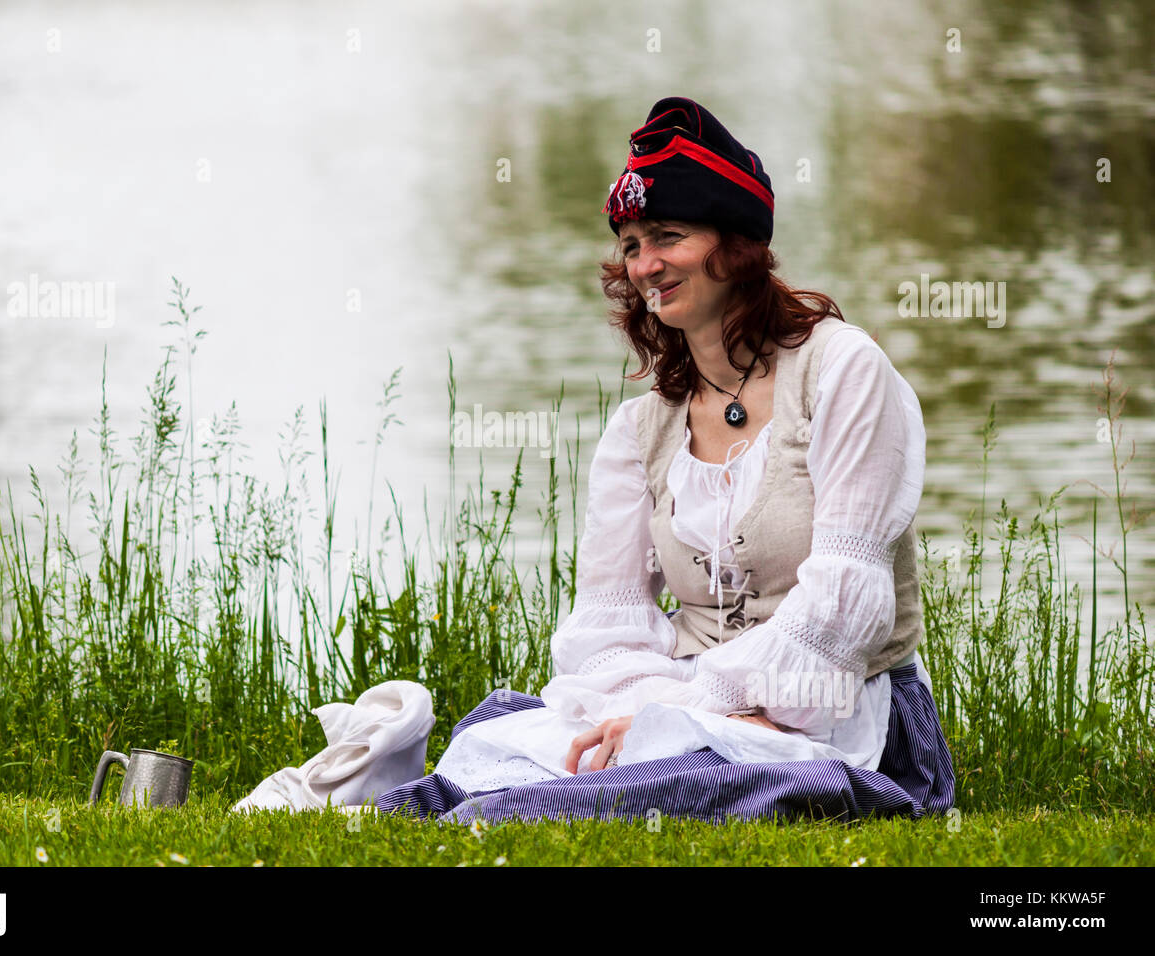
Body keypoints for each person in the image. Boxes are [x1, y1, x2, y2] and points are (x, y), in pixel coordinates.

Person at [235, 95, 956, 825]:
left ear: (736, 246)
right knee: (543, 741)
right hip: (691, 704)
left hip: (848, 714)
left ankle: (407, 810)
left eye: (668, 236)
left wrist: (696, 714)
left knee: (688, 777)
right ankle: (392, 780)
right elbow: (606, 631)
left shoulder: (842, 373)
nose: (646, 265)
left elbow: (844, 606)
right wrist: (649, 713)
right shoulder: (641, 429)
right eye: (632, 244)